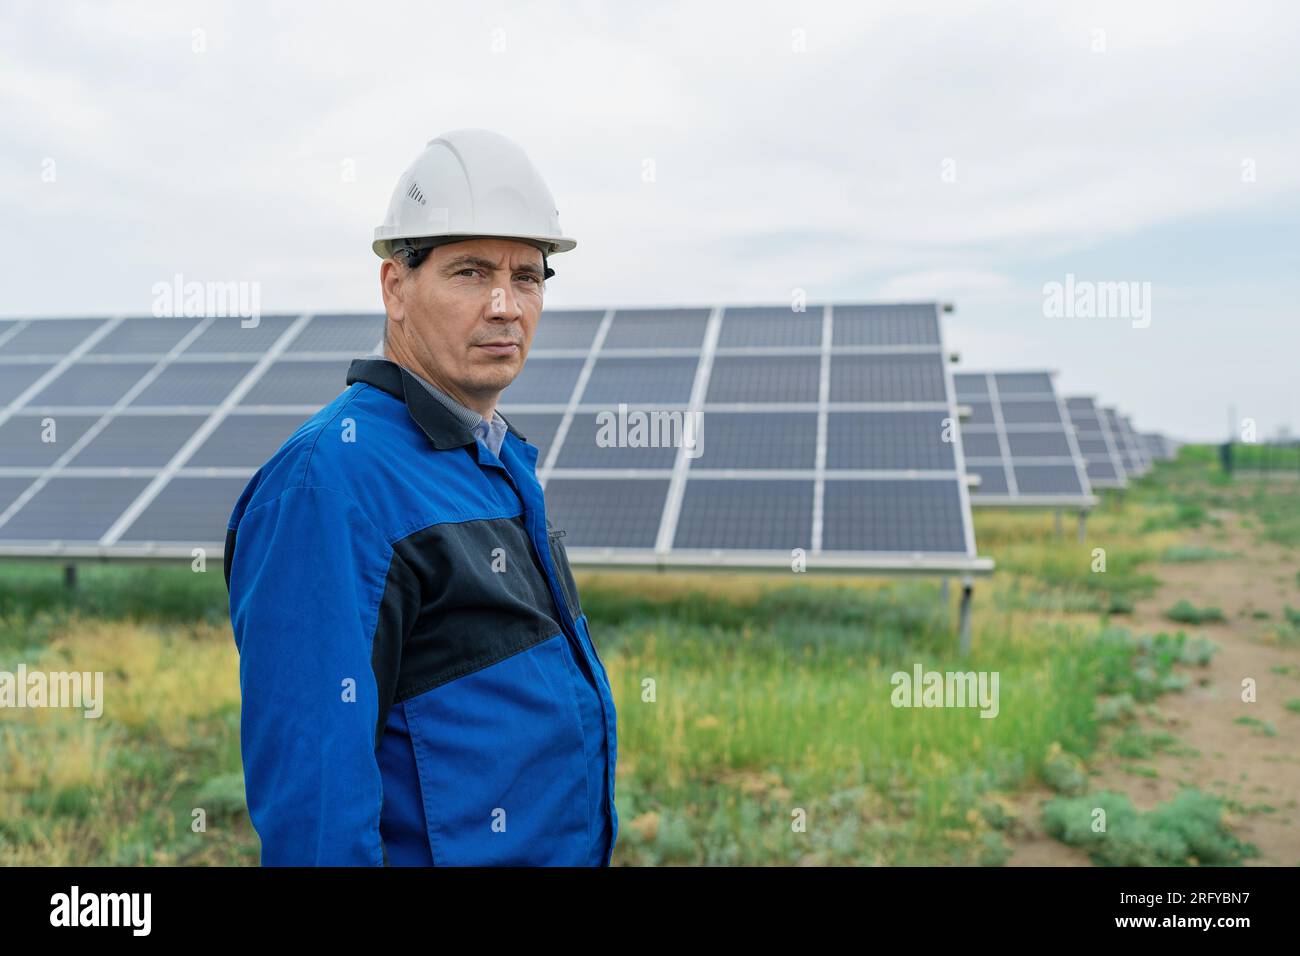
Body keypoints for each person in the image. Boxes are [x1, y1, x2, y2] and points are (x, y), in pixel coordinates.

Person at [224, 129, 617, 866]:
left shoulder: (493, 458)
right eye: (469, 272)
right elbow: (315, 815)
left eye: (527, 276)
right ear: (394, 287)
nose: (505, 306)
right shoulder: (330, 486)